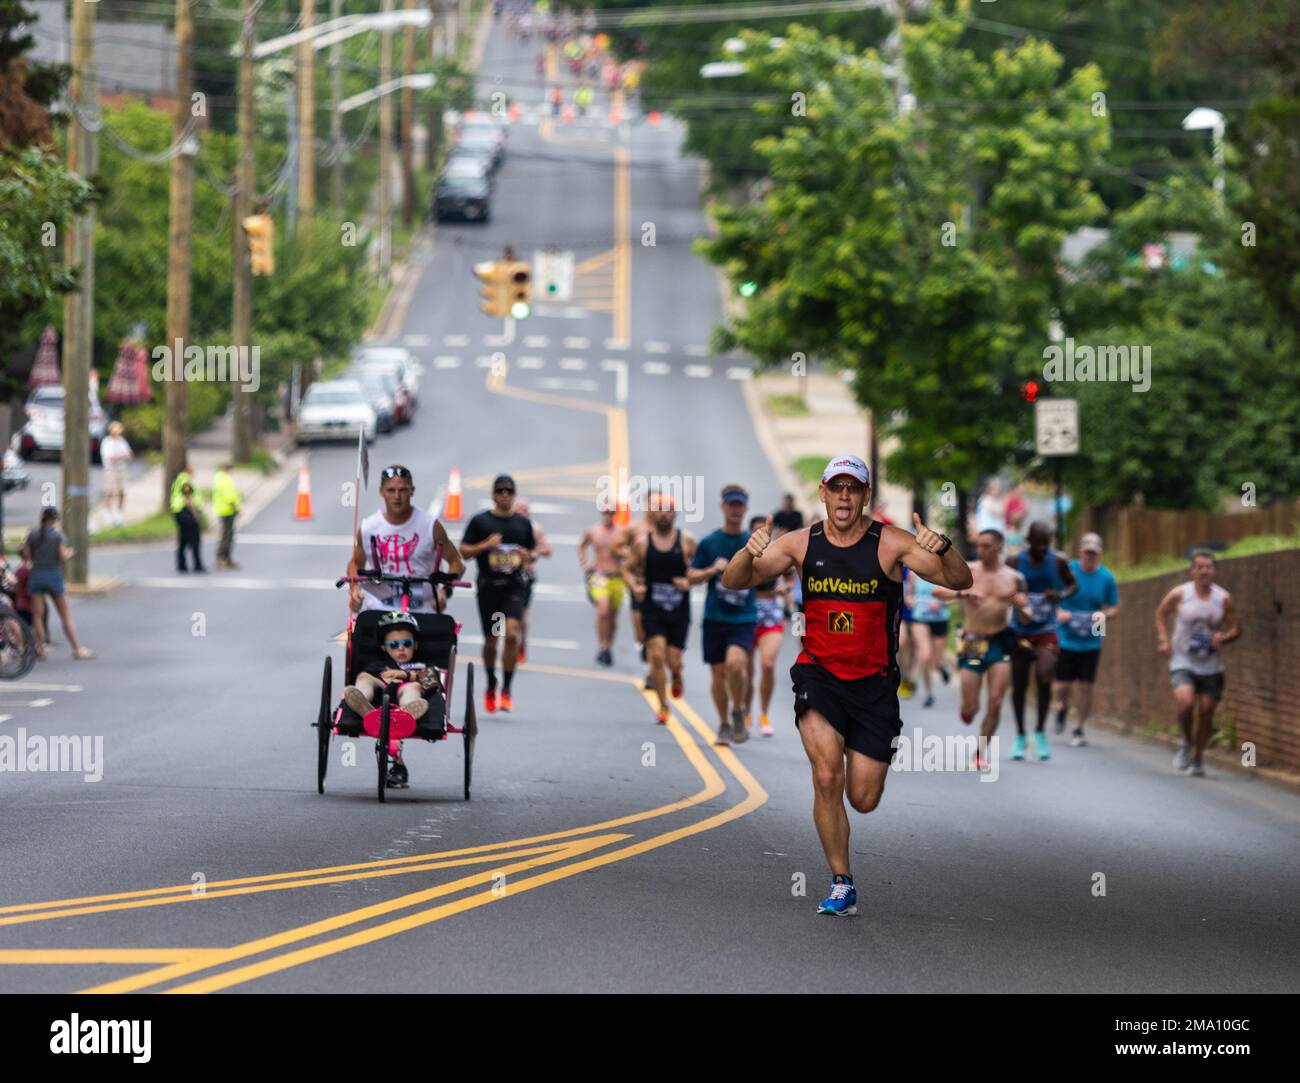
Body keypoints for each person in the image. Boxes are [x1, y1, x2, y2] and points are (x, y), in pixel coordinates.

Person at [722, 454, 972, 915]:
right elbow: (735, 581)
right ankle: (842, 881)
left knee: (863, 798)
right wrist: (748, 550)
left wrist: (944, 546)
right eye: (835, 487)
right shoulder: (800, 543)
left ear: (865, 497)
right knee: (826, 776)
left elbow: (960, 579)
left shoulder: (892, 544)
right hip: (819, 675)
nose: (843, 496)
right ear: (822, 492)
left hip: (875, 686)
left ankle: (852, 828)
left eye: (852, 488)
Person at [349, 465, 464, 788]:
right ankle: (362, 699)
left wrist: (446, 586)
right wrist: (355, 591)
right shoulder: (369, 527)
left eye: (403, 490)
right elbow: (355, 565)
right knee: (362, 659)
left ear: (412, 490)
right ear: (382, 493)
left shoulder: (430, 525)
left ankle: (413, 708)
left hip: (420, 611)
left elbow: (456, 563)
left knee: (425, 667)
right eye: (391, 490)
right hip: (379, 608)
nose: (397, 496)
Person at [933, 529, 1033, 770]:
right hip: (972, 641)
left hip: (1000, 641)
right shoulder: (968, 571)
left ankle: (980, 751)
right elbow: (937, 591)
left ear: (999, 546)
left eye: (986, 545)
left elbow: (1028, 616)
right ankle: (967, 708)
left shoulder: (1014, 578)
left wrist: (1020, 608)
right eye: (979, 545)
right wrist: (962, 593)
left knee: (997, 700)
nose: (981, 550)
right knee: (972, 707)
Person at [1156, 549, 1241, 777]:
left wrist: (1223, 637)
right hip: (1183, 659)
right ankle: (1186, 741)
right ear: (1192, 570)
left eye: (1208, 567)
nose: (1204, 571)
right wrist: (1164, 640)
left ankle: (1199, 758)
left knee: (1206, 712)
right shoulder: (1180, 594)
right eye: (1200, 567)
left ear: (1213, 570)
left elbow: (1236, 628)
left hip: (1211, 665)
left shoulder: (1222, 598)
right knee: (1185, 703)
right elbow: (1161, 613)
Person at [460, 474, 537, 713]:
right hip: (489, 588)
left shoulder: (522, 524)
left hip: (513, 587)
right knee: (493, 640)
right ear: (493, 494)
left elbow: (531, 551)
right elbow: (464, 551)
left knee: (512, 634)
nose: (505, 495)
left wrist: (526, 557)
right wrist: (485, 546)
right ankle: (492, 681)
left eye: (509, 491)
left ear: (514, 495)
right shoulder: (481, 522)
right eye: (500, 491)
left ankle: (507, 688)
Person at [692, 485, 759, 746]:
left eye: (740, 505)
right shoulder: (710, 543)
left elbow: (768, 571)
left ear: (745, 508)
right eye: (731, 504)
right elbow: (690, 576)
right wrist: (711, 569)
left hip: (743, 616)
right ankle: (723, 723)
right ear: (722, 507)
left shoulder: (752, 543)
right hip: (715, 616)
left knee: (735, 664)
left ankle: (738, 710)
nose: (735, 509)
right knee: (718, 674)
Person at [1005, 521, 1077, 761]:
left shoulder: (1058, 561)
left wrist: (1060, 595)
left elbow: (1072, 585)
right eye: (1039, 545)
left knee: (1045, 675)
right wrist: (1013, 597)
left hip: (1046, 627)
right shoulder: (1016, 562)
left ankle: (1040, 732)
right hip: (1021, 629)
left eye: (1047, 545)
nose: (1044, 549)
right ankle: (1020, 734)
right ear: (1030, 541)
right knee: (1019, 683)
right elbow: (1003, 585)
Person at [623, 494, 695, 724]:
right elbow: (626, 568)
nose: (664, 514)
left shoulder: (687, 541)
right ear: (652, 514)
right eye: (659, 509)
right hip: (652, 607)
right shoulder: (643, 543)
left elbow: (698, 568)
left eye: (668, 509)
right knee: (655, 653)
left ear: (675, 514)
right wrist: (635, 586)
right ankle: (663, 705)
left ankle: (676, 674)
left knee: (674, 660)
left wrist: (689, 580)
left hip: (678, 608)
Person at [1053, 532, 1120, 747]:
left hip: (1092, 637)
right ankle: (1062, 707)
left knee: (1086, 686)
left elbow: (1114, 606)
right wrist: (1059, 612)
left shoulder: (1106, 578)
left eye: (1094, 553)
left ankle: (1079, 727)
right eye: (1087, 552)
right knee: (1062, 685)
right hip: (1066, 635)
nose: (1090, 557)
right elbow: (1051, 596)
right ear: (1080, 551)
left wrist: (1104, 616)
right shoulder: (1068, 571)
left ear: (1099, 554)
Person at [342, 613, 442, 753]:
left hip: (405, 689)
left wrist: (407, 675)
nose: (401, 648)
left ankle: (407, 713)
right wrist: (382, 677)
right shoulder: (379, 664)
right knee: (364, 677)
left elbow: (431, 683)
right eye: (394, 645)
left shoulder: (421, 665)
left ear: (415, 645)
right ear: (384, 648)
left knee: (413, 687)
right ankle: (363, 704)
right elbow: (369, 675)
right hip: (381, 691)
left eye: (407, 644)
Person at [21, 508, 95, 660]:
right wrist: (70, 552)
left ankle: (40, 649)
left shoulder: (32, 534)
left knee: (37, 616)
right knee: (65, 614)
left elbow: (27, 555)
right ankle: (77, 648)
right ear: (54, 519)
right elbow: (62, 555)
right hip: (54, 575)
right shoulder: (57, 535)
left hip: (36, 576)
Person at [747, 513, 791, 737]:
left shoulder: (777, 551)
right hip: (746, 612)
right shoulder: (744, 552)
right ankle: (744, 710)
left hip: (771, 611)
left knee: (767, 664)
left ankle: (764, 713)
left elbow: (793, 574)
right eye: (755, 530)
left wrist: (786, 588)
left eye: (763, 530)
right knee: (745, 669)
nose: (760, 534)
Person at [578, 504, 626, 666]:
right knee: (603, 610)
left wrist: (624, 557)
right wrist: (585, 563)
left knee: (613, 615)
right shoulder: (594, 531)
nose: (608, 515)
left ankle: (608, 647)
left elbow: (631, 552)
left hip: (617, 577)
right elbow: (582, 545)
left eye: (611, 512)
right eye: (606, 512)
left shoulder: (621, 533)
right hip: (599, 575)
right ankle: (602, 646)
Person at [513, 497, 550, 664]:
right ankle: (499, 641)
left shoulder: (534, 528)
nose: (522, 513)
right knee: (498, 613)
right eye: (519, 509)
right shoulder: (505, 526)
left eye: (524, 510)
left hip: (525, 577)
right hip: (503, 576)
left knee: (521, 615)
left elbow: (546, 549)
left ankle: (521, 643)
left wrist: (532, 555)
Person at [906, 572, 951, 707]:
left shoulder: (943, 571)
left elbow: (952, 595)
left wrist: (941, 604)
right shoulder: (914, 573)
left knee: (934, 662)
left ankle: (941, 667)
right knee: (924, 654)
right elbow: (909, 594)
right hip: (920, 618)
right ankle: (928, 693)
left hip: (939, 619)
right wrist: (910, 600)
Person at [170, 460, 205, 573]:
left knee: (183, 539)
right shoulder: (185, 480)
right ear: (186, 469)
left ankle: (182, 565)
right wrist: (195, 513)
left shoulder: (179, 479)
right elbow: (187, 498)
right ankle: (197, 565)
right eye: (191, 468)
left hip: (178, 511)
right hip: (185, 512)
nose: (193, 471)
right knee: (194, 539)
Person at [98, 421, 133, 528]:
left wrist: (121, 456)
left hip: (121, 470)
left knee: (121, 492)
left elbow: (130, 455)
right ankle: (107, 513)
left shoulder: (122, 441)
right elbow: (110, 457)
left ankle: (119, 515)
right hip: (111, 470)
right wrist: (122, 456)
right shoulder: (107, 442)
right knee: (109, 492)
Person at [213, 461, 242, 570]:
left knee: (228, 536)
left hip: (224, 510)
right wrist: (236, 507)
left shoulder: (220, 478)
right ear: (227, 469)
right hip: (227, 510)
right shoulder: (224, 480)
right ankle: (221, 558)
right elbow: (229, 495)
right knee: (227, 536)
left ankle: (227, 558)